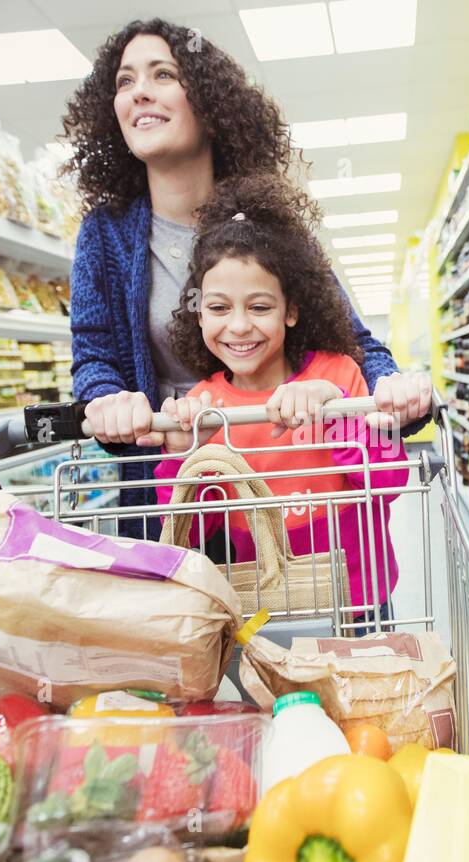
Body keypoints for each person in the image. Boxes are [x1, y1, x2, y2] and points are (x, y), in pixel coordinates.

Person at [60, 18, 430, 532]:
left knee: (319, 608)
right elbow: (94, 357)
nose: (140, 92)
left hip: (299, 483)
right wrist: (108, 401)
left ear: (210, 106)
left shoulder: (269, 226)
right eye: (125, 81)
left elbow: (357, 344)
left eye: (162, 75)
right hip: (177, 491)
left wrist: (393, 390)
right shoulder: (105, 235)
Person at [153, 174, 408, 617]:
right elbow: (188, 532)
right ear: (198, 315)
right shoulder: (202, 406)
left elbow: (389, 481)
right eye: (217, 308)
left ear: (290, 311)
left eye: (259, 307)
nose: (237, 326)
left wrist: (333, 410)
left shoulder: (338, 372)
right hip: (263, 604)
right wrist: (182, 453)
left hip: (358, 599)